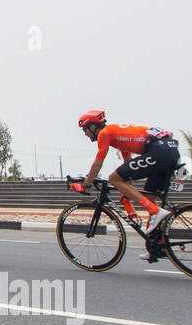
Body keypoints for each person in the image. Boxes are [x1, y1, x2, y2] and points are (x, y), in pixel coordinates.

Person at [72, 110, 181, 261]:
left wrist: (86, 184)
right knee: (149, 198)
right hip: (170, 151)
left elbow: (98, 162)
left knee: (114, 179)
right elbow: (128, 162)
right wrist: (128, 189)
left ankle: (156, 212)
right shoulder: (118, 134)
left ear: (92, 127)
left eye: (84, 130)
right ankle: (157, 247)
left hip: (159, 151)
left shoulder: (104, 133)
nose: (84, 134)